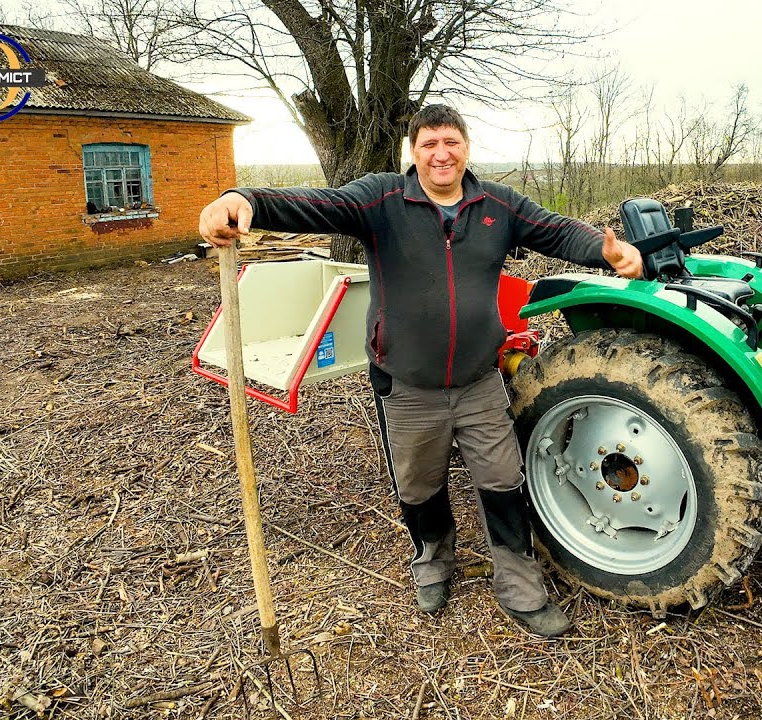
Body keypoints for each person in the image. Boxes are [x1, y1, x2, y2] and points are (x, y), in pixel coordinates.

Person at [200, 104, 642, 637]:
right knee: (417, 485)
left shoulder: (497, 205)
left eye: (451, 142)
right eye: (429, 143)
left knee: (503, 480)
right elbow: (315, 204)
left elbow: (554, 230)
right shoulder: (381, 200)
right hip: (408, 385)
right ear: (414, 150)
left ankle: (519, 582)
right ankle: (434, 555)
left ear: (466, 148)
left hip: (479, 383)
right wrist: (242, 199)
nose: (441, 153)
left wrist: (604, 250)